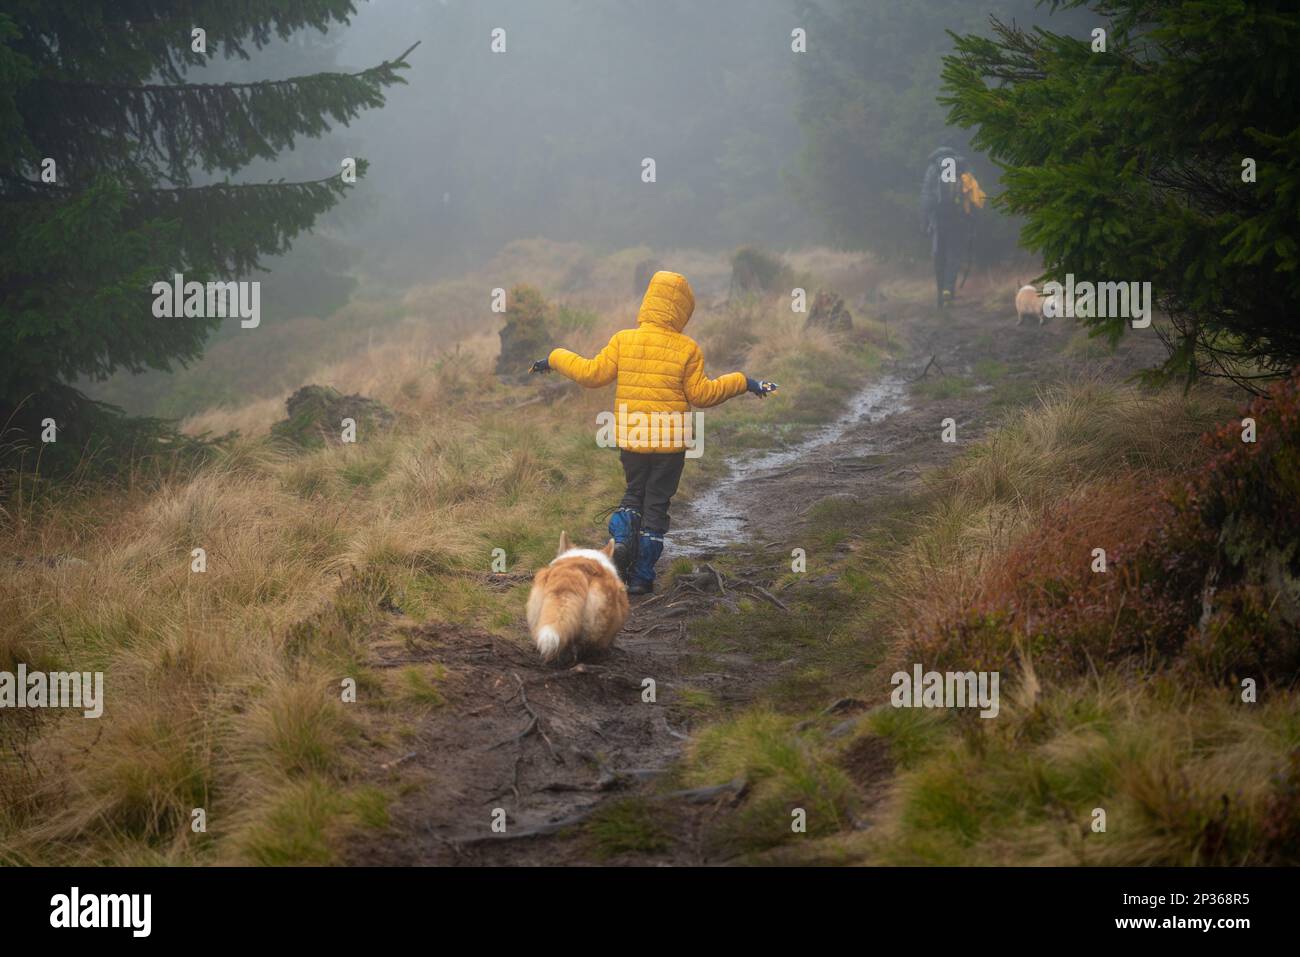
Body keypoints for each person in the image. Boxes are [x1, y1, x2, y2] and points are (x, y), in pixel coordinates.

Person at [530, 271, 774, 594]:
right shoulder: (688, 349)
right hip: (670, 446)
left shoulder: (623, 340)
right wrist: (744, 382)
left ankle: (621, 545)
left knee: (634, 494)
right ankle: (643, 576)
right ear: (683, 311)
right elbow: (702, 395)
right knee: (656, 503)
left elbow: (591, 373)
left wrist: (553, 358)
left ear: (648, 302)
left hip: (633, 440)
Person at [919, 146, 986, 308]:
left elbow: (927, 196)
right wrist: (973, 218)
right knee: (953, 256)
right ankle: (948, 290)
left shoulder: (933, 168)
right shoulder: (962, 166)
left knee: (939, 257)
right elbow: (973, 192)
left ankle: (940, 293)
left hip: (938, 220)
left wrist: (924, 220)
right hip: (958, 219)